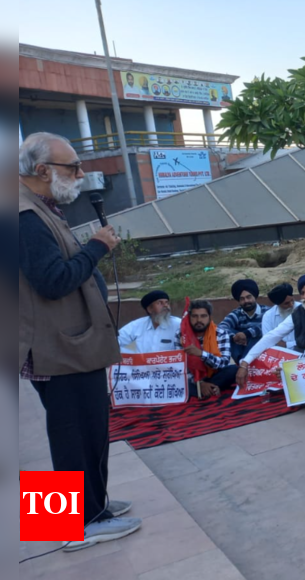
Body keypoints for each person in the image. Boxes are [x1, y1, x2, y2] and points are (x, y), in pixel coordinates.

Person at [19, 132, 139, 549]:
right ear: (42, 170)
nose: (81, 174)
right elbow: (53, 281)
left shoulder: (37, 206)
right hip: (57, 347)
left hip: (67, 342)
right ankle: (71, 526)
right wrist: (97, 247)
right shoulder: (24, 217)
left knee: (85, 427)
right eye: (72, 167)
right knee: (71, 431)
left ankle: (93, 506)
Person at [236, 275, 305, 384]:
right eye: (302, 293)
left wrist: (295, 367)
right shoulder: (299, 312)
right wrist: (245, 363)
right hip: (300, 356)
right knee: (267, 360)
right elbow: (272, 336)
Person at [180, 300, 239, 399]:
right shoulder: (181, 335)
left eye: (203, 316)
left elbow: (224, 363)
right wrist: (200, 383)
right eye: (194, 316)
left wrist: (201, 354)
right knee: (179, 381)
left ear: (210, 317)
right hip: (192, 379)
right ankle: (212, 388)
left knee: (233, 370)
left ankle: (206, 389)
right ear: (189, 317)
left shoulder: (220, 333)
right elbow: (181, 366)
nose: (199, 320)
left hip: (215, 374)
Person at [217, 279, 269, 364]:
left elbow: (267, 327)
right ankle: (242, 363)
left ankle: (245, 363)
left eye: (248, 297)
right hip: (240, 350)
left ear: (254, 297)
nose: (246, 301)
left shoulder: (267, 311)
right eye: (242, 299)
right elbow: (221, 327)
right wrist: (235, 337)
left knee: (258, 335)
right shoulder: (236, 313)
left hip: (261, 353)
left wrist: (246, 334)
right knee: (227, 333)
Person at [119, 291, 183, 353]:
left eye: (167, 303)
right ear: (150, 309)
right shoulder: (137, 325)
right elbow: (117, 341)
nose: (165, 305)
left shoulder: (179, 324)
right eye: (160, 303)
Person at [262, 283, 297, 350]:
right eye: (286, 303)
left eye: (292, 300)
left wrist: (287, 344)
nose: (291, 305)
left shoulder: (303, 310)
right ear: (278, 304)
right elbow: (267, 342)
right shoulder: (268, 316)